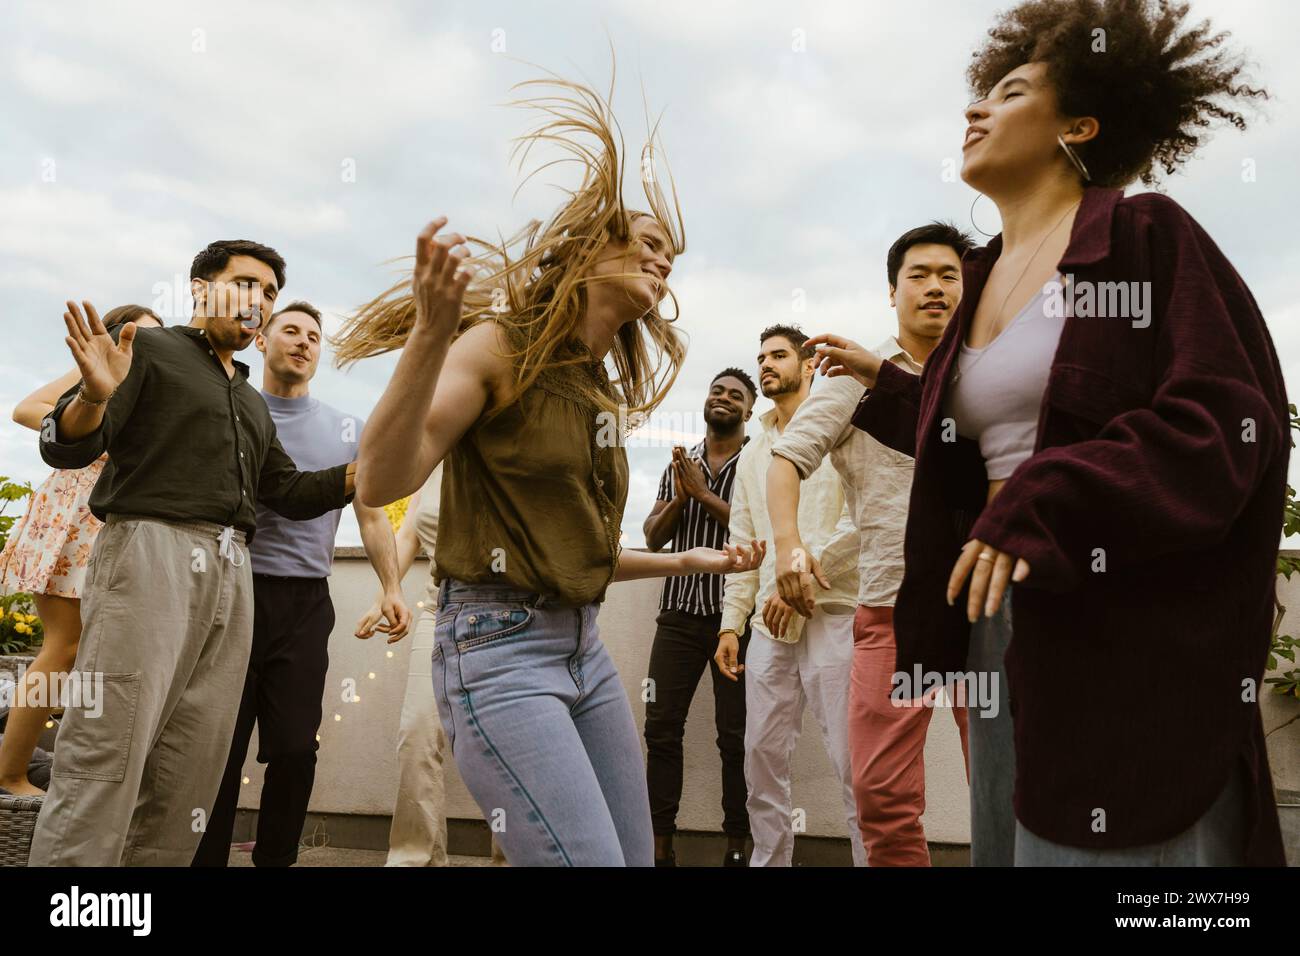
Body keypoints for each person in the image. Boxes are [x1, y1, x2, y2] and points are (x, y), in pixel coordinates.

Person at [810, 0, 1285, 866]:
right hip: (996, 625)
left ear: (1081, 123)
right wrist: (885, 385)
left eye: (1010, 89)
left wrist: (1053, 495)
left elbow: (1229, 424)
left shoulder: (1146, 235)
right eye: (979, 92)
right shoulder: (979, 278)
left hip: (1122, 624)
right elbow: (977, 452)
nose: (974, 108)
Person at [333, 75, 762, 867]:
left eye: (672, 252)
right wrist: (430, 336)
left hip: (583, 650)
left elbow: (576, 557)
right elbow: (380, 482)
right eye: (647, 240)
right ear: (586, 249)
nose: (664, 259)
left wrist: (686, 559)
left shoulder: (597, 387)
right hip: (497, 648)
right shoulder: (498, 345)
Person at [30, 240, 357, 866]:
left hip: (233, 574)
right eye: (245, 284)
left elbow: (287, 492)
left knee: (193, 764)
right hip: (149, 553)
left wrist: (369, 470)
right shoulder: (145, 349)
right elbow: (65, 446)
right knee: (109, 748)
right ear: (200, 289)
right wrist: (94, 396)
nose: (258, 301)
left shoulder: (250, 399)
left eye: (269, 292)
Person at [770, 224, 974, 866]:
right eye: (919, 275)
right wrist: (788, 548)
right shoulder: (852, 374)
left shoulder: (988, 374)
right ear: (893, 292)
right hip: (891, 607)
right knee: (880, 793)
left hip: (987, 610)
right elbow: (786, 459)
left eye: (950, 274)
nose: (936, 287)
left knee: (1010, 786)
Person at [193, 300, 409, 867]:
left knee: (293, 746)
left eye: (314, 335)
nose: (304, 341)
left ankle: (276, 858)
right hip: (230, 596)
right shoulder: (232, 410)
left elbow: (371, 514)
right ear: (260, 341)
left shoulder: (347, 431)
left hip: (305, 603)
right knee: (219, 746)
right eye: (290, 330)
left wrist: (391, 586)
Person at [714, 324, 864, 867]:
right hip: (768, 627)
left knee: (854, 762)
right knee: (760, 756)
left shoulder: (841, 425)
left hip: (833, 613)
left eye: (779, 355)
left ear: (807, 365)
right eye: (761, 357)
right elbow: (744, 542)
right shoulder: (754, 454)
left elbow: (858, 519)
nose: (766, 364)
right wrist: (732, 623)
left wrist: (799, 573)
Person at [0, 305, 164, 797]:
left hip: (118, 518)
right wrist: (94, 425)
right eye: (138, 334)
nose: (144, 344)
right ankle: (9, 774)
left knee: (95, 657)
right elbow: (27, 408)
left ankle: (70, 773)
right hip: (74, 513)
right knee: (64, 646)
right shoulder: (96, 373)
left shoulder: (154, 387)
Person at [353, 463, 505, 866]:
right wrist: (385, 593)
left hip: (509, 616)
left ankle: (512, 858)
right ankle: (414, 860)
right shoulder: (434, 454)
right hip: (439, 612)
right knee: (416, 734)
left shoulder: (513, 442)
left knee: (505, 747)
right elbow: (409, 534)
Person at [642, 368, 755, 867]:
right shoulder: (680, 465)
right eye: (717, 391)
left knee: (737, 737)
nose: (724, 399)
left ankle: (737, 848)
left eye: (736, 395)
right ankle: (660, 848)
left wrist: (704, 496)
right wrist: (684, 495)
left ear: (749, 410)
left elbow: (761, 531)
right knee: (661, 727)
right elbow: (651, 538)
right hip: (680, 617)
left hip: (738, 622)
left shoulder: (761, 460)